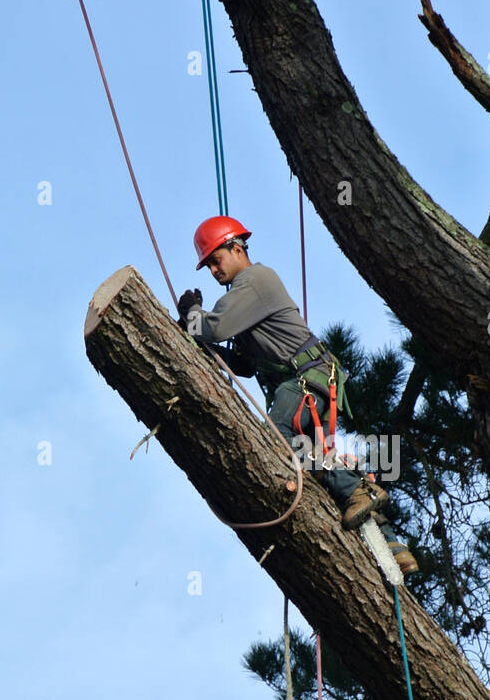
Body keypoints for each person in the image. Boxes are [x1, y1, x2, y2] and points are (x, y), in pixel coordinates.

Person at [177, 215, 418, 576]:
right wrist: (200, 341)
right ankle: (390, 543)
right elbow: (242, 365)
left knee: (276, 438)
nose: (213, 270)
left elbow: (215, 327)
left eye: (216, 259)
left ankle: (359, 493)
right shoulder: (242, 297)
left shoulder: (254, 281)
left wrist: (193, 316)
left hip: (306, 380)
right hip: (303, 383)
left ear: (237, 247)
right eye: (208, 264)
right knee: (311, 459)